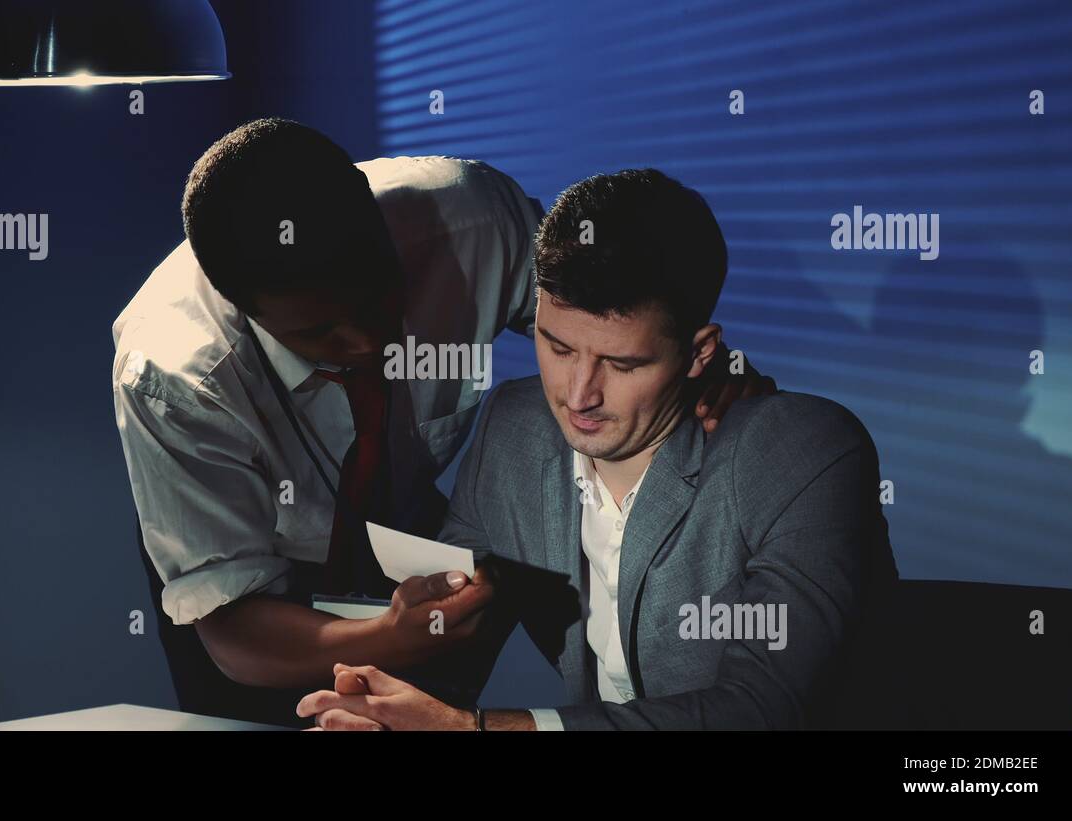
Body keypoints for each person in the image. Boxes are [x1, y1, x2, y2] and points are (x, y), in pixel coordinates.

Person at [112, 120, 774, 724]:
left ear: (374, 213)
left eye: (378, 293)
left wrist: (699, 366)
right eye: (321, 333)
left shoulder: (475, 222)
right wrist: (390, 637)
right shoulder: (173, 376)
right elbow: (232, 636)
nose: (370, 340)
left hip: (404, 528)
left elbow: (603, 315)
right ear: (244, 308)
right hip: (253, 588)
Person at [296, 169, 898, 730]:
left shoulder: (804, 450)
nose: (578, 396)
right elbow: (454, 634)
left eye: (622, 362)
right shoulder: (514, 427)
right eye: (557, 348)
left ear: (700, 353)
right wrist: (375, 699)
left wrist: (474, 731)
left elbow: (761, 708)